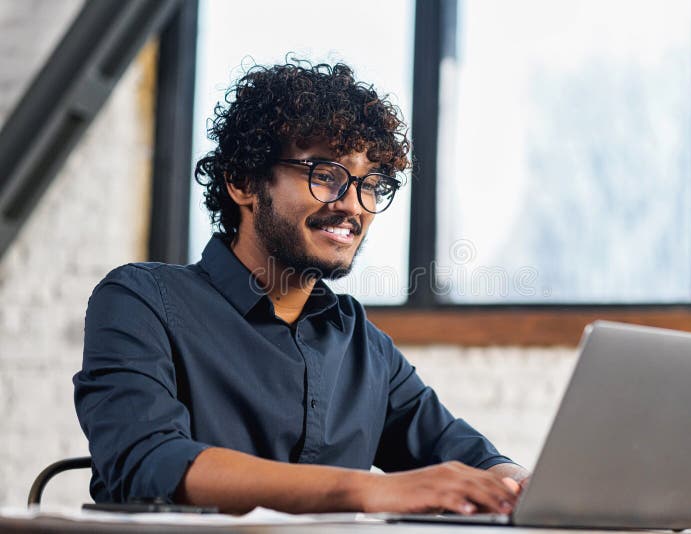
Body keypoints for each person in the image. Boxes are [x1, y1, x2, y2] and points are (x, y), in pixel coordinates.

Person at [74, 60, 528, 515]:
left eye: (372, 184)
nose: (353, 205)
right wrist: (367, 490)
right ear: (243, 181)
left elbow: (466, 457)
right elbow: (149, 463)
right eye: (326, 175)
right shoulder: (141, 301)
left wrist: (522, 486)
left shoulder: (361, 343)